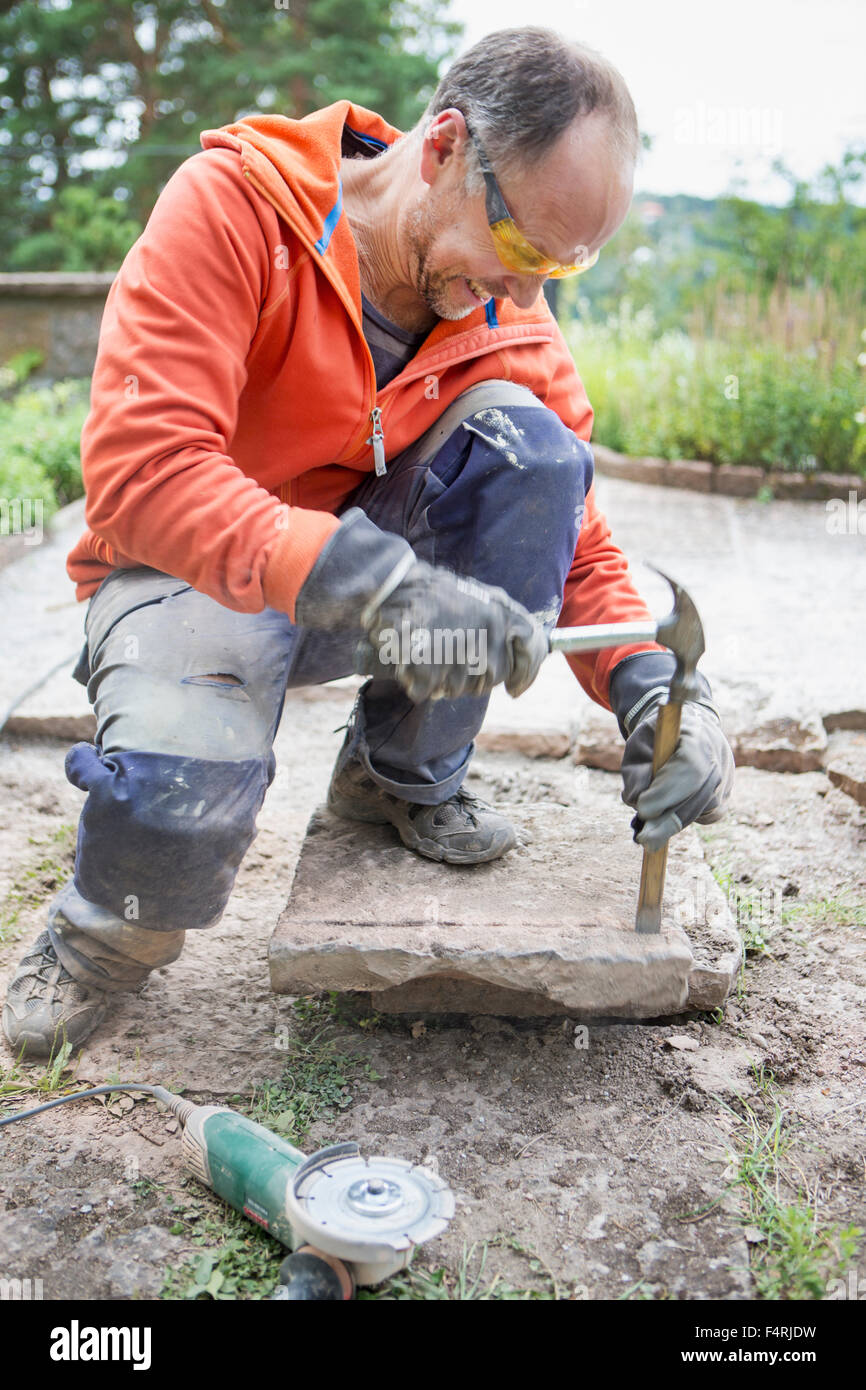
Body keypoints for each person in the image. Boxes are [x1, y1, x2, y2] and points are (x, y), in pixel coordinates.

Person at [2, 27, 734, 1058]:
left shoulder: (505, 318)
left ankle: (396, 777)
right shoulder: (232, 209)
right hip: (187, 579)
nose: (527, 294)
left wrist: (657, 691)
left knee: (531, 458)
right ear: (442, 149)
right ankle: (101, 939)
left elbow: (575, 543)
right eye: (522, 248)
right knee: (180, 806)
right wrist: (378, 583)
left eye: (563, 267)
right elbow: (144, 472)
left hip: (359, 597)